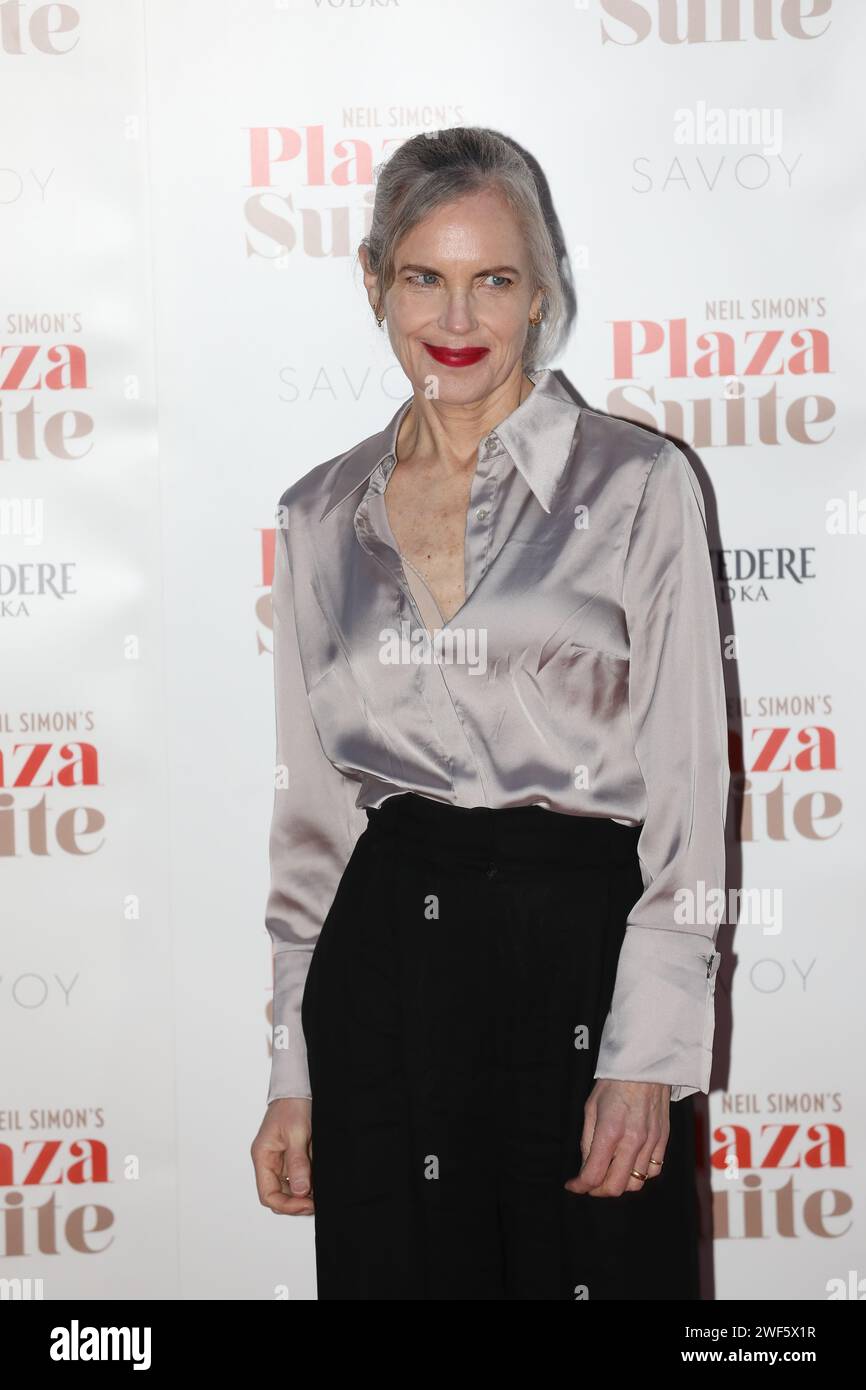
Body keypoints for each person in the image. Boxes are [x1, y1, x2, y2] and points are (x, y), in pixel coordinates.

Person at [250, 126, 730, 1300]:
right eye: (422, 275)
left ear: (538, 295)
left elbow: (688, 788)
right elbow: (312, 823)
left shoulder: (634, 485)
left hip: (581, 958)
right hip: (383, 977)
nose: (455, 315)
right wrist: (291, 1066)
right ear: (373, 282)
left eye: (492, 279)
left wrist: (645, 1057)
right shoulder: (319, 513)